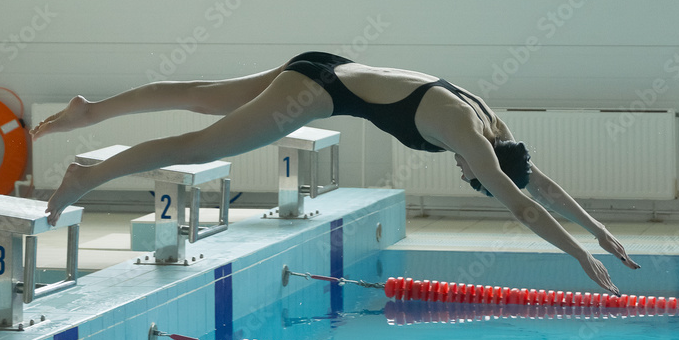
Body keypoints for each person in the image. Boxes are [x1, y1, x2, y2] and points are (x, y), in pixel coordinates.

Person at [32, 51, 639, 293]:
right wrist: (576, 255)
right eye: (470, 174)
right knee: (199, 143)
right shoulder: (467, 136)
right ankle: (93, 172)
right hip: (318, 95)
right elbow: (523, 203)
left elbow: (538, 182)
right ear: (482, 165)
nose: (464, 172)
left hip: (323, 63)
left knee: (198, 93)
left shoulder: (486, 121)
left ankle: (92, 111)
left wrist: (601, 234)